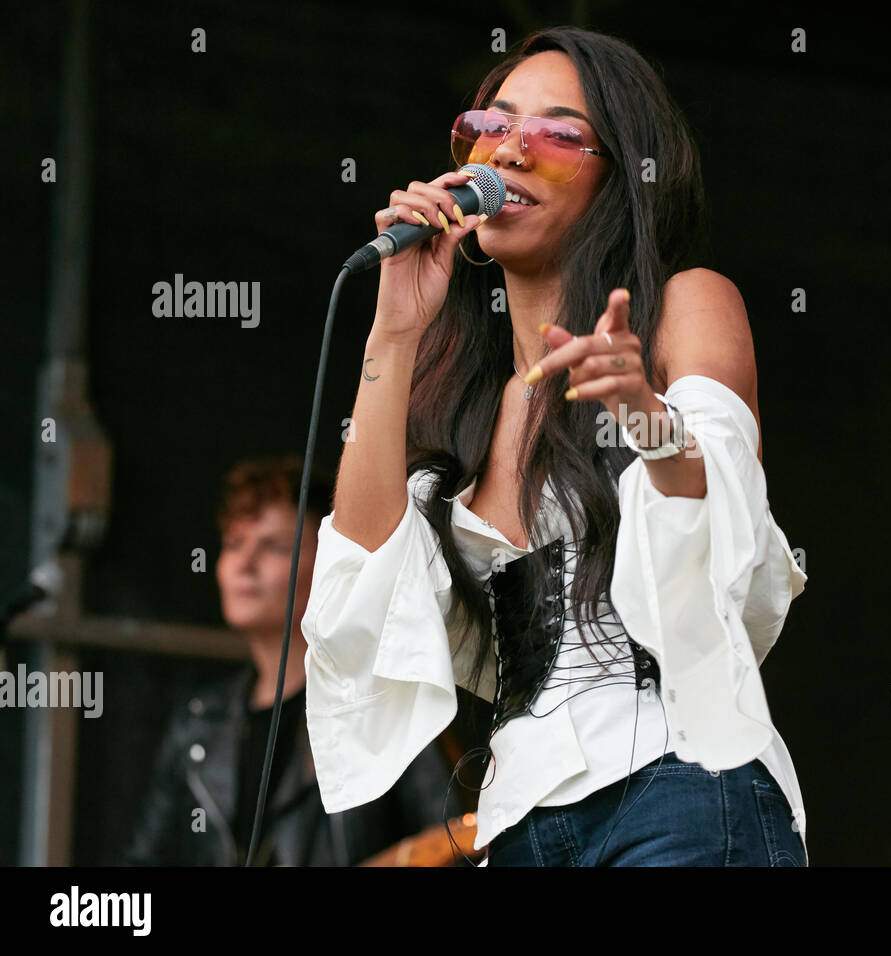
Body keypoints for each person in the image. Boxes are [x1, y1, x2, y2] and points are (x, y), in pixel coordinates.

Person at [301, 26, 810, 866]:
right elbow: (360, 578)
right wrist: (393, 335)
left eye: (559, 135)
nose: (513, 153)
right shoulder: (460, 391)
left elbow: (724, 512)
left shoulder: (688, 302)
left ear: (623, 175)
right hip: (518, 820)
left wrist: (641, 413)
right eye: (492, 127)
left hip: (679, 780)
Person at [124, 455, 472, 866]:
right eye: (234, 544)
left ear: (328, 566)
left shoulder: (384, 702)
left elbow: (455, 844)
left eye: (272, 546)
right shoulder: (199, 720)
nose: (244, 563)